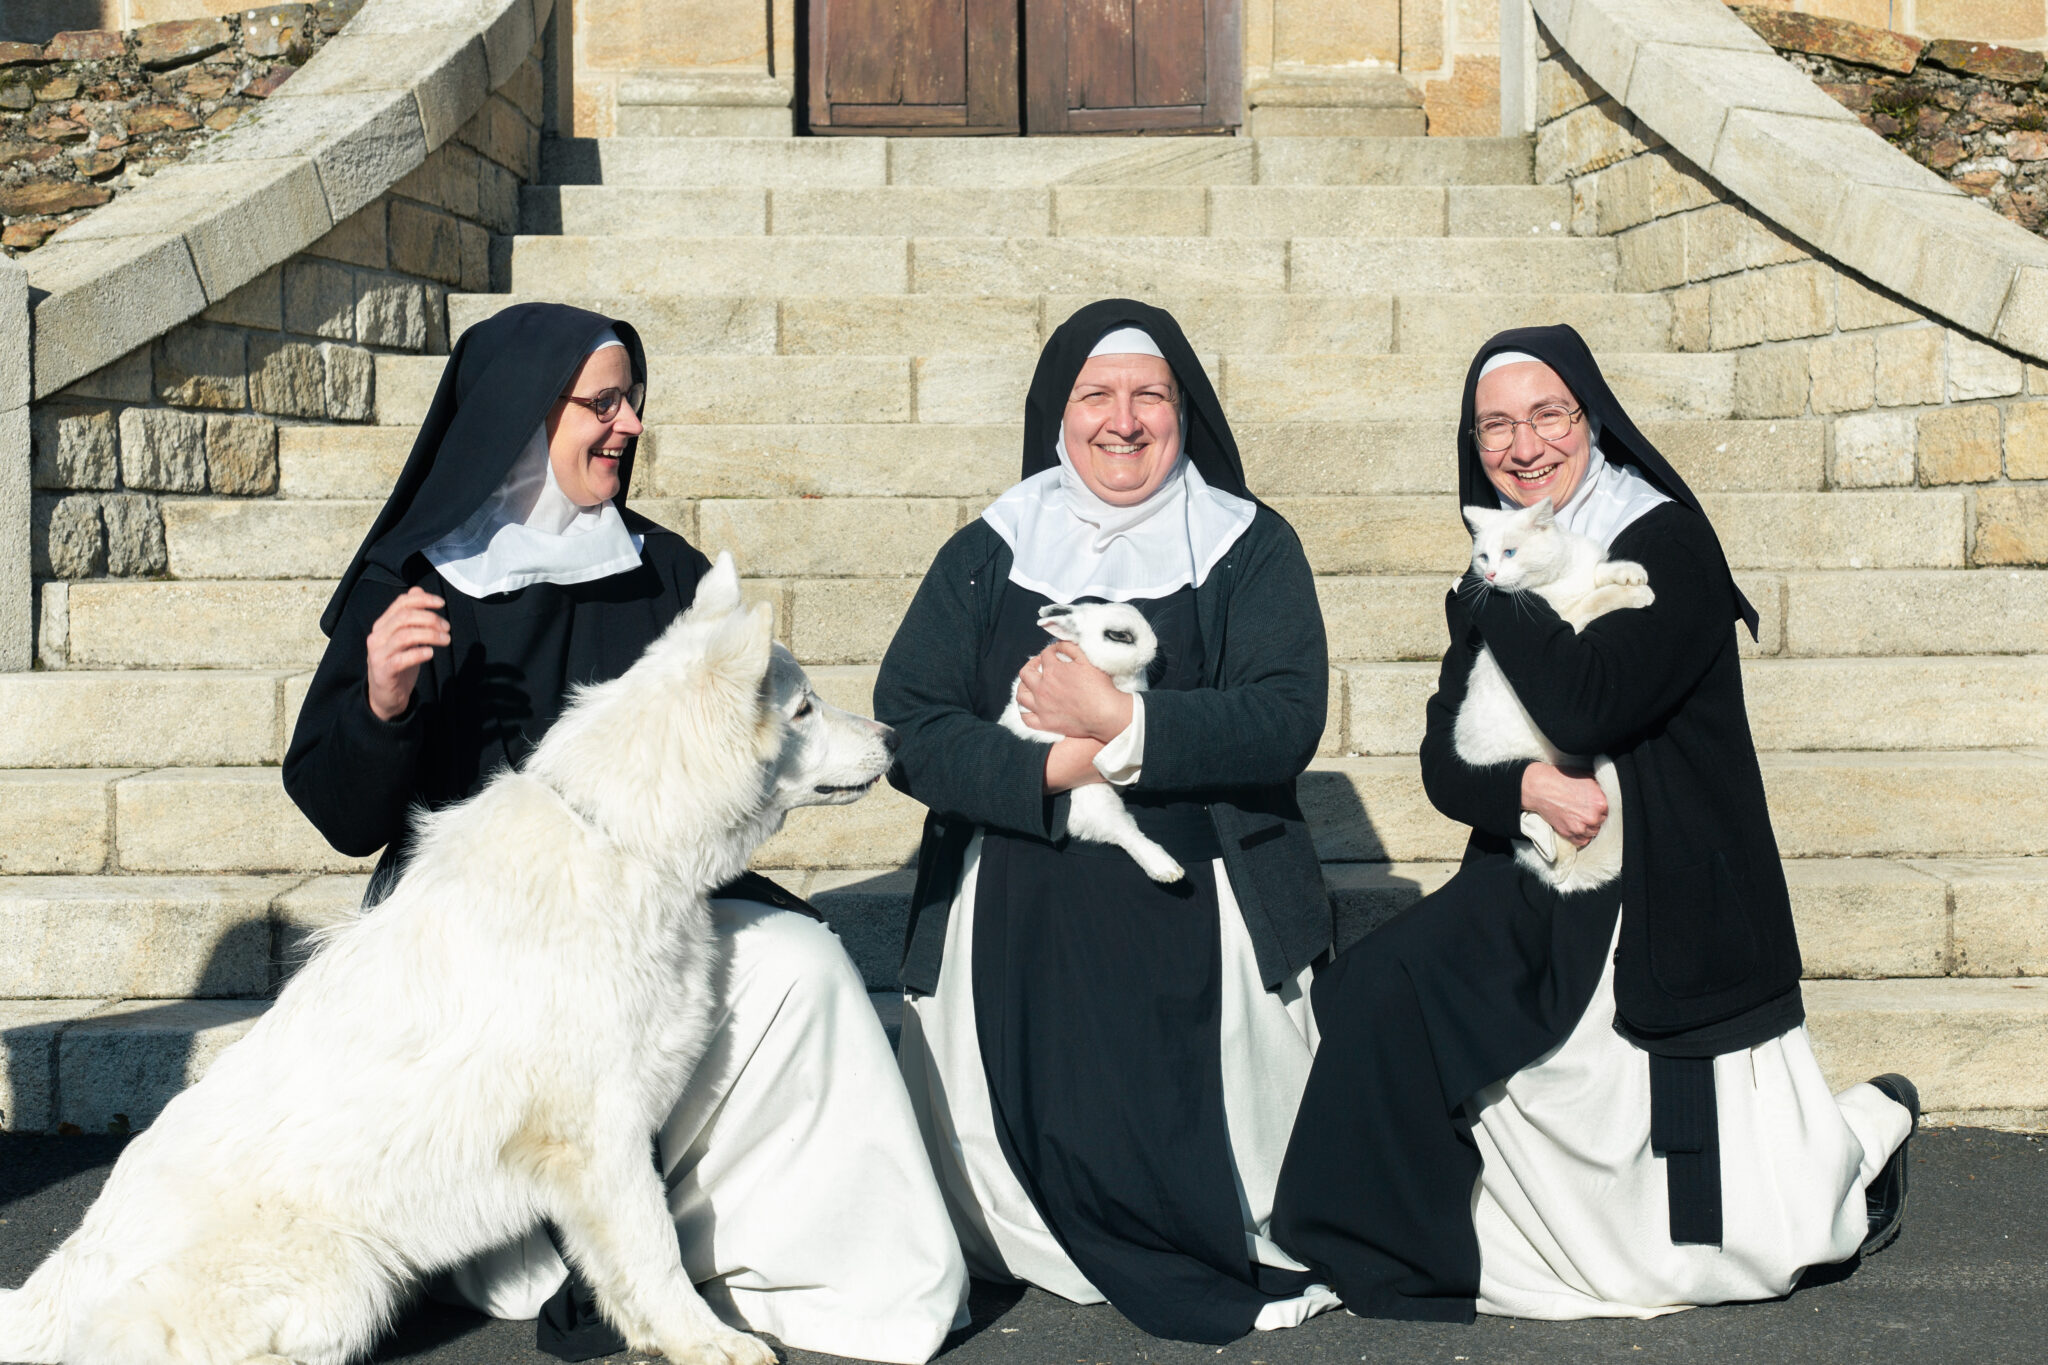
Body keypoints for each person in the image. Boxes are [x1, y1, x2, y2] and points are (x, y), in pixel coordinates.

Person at [282, 302, 967, 1364]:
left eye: (633, 400)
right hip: (483, 940)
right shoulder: (417, 585)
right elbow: (341, 816)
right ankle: (534, 1247)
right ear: (524, 414)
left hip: (647, 918)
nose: (630, 424)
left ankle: (838, 1272)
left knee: (801, 968)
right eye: (603, 403)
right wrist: (380, 703)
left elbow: (739, 763)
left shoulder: (664, 571)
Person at [1270, 324, 1918, 1322]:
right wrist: (1526, 787)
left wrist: (1497, 592)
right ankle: (1378, 1242)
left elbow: (1590, 704)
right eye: (1495, 426)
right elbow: (1445, 763)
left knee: (1696, 1262)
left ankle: (1865, 1134)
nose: (1523, 445)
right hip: (1536, 875)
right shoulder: (1496, 566)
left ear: (1592, 419)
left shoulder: (1662, 543)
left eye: (1547, 415)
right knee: (1377, 983)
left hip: (1661, 884)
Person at [875, 298, 1338, 1344]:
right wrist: (1062, 762)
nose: (1122, 420)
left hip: (1202, 867)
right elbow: (910, 721)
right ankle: (1042, 1212)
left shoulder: (1251, 544)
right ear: (1058, 414)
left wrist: (1126, 723)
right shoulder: (988, 549)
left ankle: (1178, 1212)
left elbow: (1284, 716)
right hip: (1018, 855)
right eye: (1096, 395)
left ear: (1184, 412)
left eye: (1149, 395)